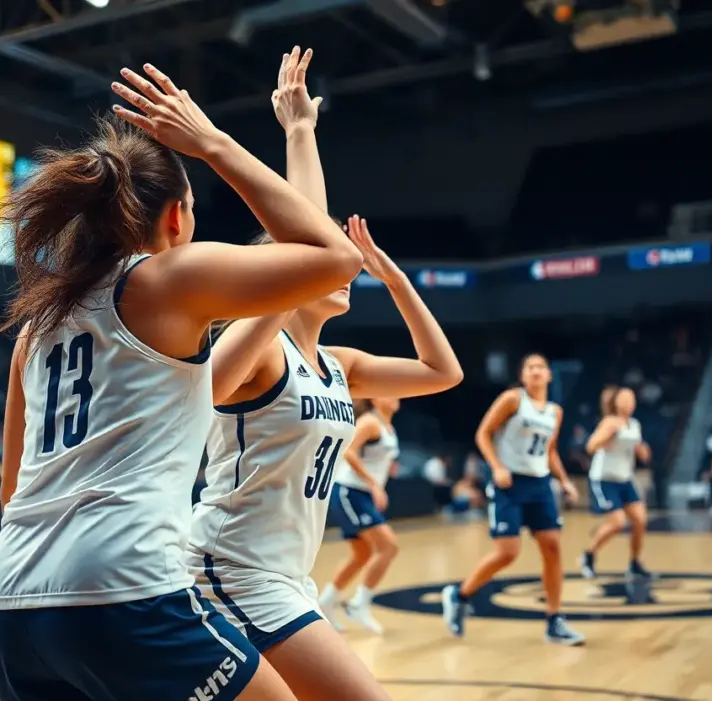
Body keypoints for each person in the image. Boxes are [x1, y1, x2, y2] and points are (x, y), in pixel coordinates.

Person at [0, 54, 365, 701]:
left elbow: (12, 487)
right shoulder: (165, 280)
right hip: (121, 587)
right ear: (177, 218)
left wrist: (301, 136)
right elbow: (334, 256)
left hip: (11, 597)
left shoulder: (37, 325)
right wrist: (212, 142)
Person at [187, 48, 462, 701]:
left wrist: (395, 279)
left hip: (283, 573)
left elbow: (441, 371)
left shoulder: (339, 366)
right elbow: (302, 245)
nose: (342, 267)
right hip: (229, 568)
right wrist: (300, 134)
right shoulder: (260, 349)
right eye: (319, 258)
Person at [441, 354, 585, 645]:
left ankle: (554, 620)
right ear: (522, 376)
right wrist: (497, 467)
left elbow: (551, 450)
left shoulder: (555, 412)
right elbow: (483, 434)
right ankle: (460, 594)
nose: (536, 371)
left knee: (553, 547)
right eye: (530, 367)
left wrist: (565, 481)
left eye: (541, 367)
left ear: (549, 375)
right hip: (510, 483)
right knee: (508, 552)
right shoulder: (512, 400)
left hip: (540, 483)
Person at [320, 397, 402, 634]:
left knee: (362, 554)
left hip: (361, 493)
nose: (394, 395)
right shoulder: (370, 422)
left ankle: (325, 602)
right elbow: (349, 452)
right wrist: (374, 484)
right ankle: (359, 603)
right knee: (388, 546)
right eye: (387, 391)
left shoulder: (389, 426)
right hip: (349, 491)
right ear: (374, 398)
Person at [579, 387, 653, 580]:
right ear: (616, 403)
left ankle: (635, 563)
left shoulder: (635, 425)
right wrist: (609, 436)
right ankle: (588, 555)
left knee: (640, 520)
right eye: (624, 399)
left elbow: (641, 453)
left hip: (624, 478)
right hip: (604, 479)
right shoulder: (610, 422)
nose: (628, 403)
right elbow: (590, 446)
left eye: (631, 399)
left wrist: (642, 450)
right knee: (618, 522)